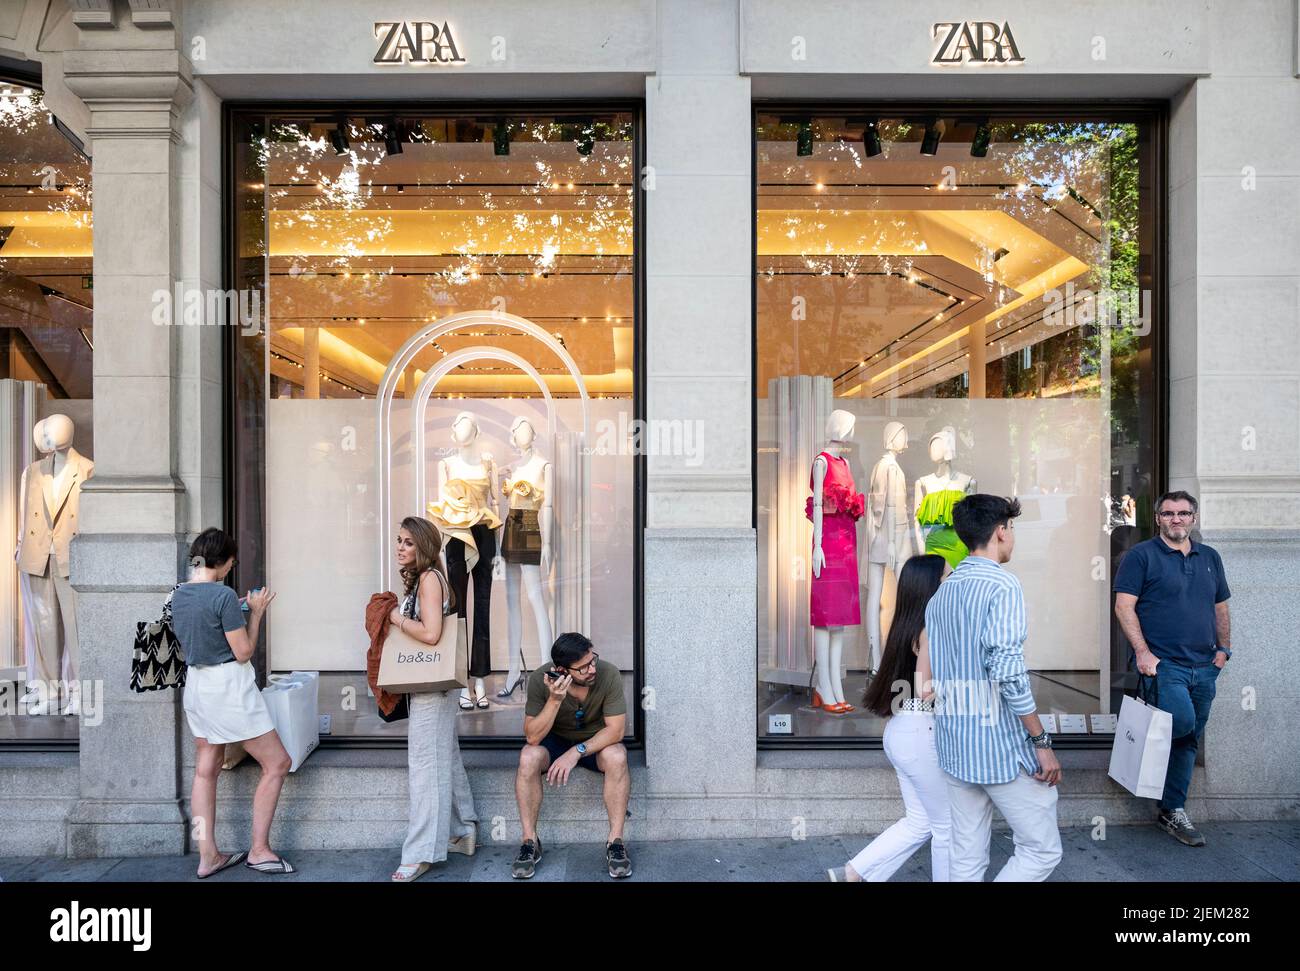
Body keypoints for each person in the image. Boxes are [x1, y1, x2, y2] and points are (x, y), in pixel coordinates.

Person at [926, 495, 1063, 882]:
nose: (1012, 536)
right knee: (1041, 850)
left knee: (965, 856)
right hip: (1001, 747)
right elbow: (1007, 670)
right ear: (1001, 531)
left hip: (955, 742)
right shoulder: (1002, 585)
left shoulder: (943, 593)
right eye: (1012, 528)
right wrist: (1041, 741)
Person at [172, 527, 293, 877]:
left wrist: (233, 608)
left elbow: (201, 628)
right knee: (278, 763)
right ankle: (259, 850)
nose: (231, 568)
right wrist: (254, 613)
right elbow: (243, 652)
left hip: (196, 686)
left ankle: (206, 854)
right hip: (229, 689)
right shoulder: (223, 596)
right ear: (223, 563)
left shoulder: (179, 595)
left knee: (205, 770)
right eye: (231, 563)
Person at [1114, 490, 1231, 847]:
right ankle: (1151, 781)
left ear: (1193, 518)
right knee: (1182, 724)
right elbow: (1124, 607)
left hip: (1205, 665)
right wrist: (1143, 653)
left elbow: (1221, 607)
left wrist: (1224, 650)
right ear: (1158, 518)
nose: (1176, 519)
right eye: (1168, 513)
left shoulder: (1210, 556)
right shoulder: (1141, 556)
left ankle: (1172, 809)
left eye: (1183, 513)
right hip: (1164, 665)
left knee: (1190, 736)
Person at [830, 553, 951, 882]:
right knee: (946, 827)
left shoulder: (906, 624)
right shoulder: (929, 628)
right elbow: (927, 689)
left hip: (900, 730)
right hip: (919, 732)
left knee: (920, 822)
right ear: (931, 587)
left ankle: (852, 873)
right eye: (946, 578)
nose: (952, 583)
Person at [389, 517, 479, 882]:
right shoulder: (429, 578)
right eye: (399, 540)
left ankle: (421, 852)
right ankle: (462, 830)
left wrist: (395, 617)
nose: (400, 547)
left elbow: (430, 633)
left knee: (425, 765)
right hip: (437, 686)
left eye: (409, 542)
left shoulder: (428, 579)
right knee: (446, 754)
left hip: (433, 687)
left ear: (424, 547)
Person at [512, 632, 631, 879]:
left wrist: (575, 752)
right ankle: (529, 843)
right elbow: (532, 737)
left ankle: (615, 843)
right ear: (562, 670)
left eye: (592, 660)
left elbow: (617, 730)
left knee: (618, 755)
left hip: (594, 745)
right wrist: (555, 699)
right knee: (528, 757)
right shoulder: (539, 680)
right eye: (583, 667)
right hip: (554, 744)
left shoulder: (608, 674)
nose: (591, 669)